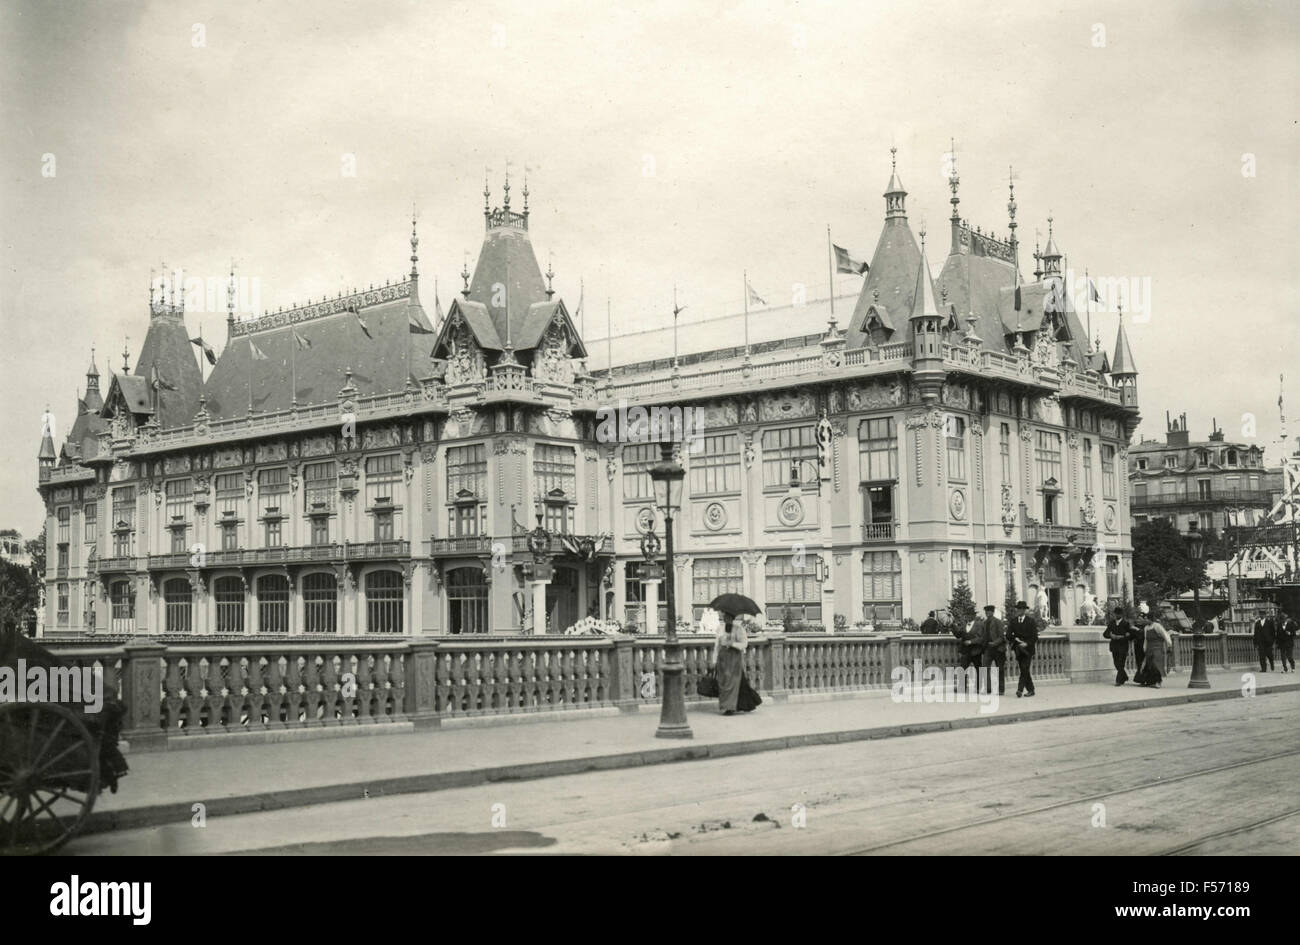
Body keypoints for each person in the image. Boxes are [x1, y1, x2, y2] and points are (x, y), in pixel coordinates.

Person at [712, 613, 748, 715]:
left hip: (734, 658)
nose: (727, 619)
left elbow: (744, 644)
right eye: (725, 617)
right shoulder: (720, 628)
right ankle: (724, 706)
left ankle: (730, 707)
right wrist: (714, 660)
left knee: (732, 682)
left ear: (732, 618)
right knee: (723, 681)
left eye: (729, 617)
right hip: (722, 658)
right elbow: (716, 645)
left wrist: (732, 644)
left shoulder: (738, 629)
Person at [1006, 600, 1040, 697]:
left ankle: (1019, 690)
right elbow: (1008, 635)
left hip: (1028, 649)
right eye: (1018, 609)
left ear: (1025, 610)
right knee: (1024, 669)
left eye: (1022, 609)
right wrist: (1015, 639)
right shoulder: (1013, 621)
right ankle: (1031, 690)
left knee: (1024, 668)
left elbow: (1035, 636)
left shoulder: (1031, 621)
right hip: (1018, 649)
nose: (1020, 610)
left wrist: (1026, 643)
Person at [976, 604, 1007, 695]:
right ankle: (988, 688)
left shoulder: (998, 622)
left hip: (998, 649)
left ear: (993, 612)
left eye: (989, 611)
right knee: (985, 668)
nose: (987, 613)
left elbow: (1001, 637)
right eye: (986, 611)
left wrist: (994, 643)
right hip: (988, 649)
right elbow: (982, 636)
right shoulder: (984, 623)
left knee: (1000, 669)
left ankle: (1001, 690)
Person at [1103, 606, 1136, 685]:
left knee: (1121, 663)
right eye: (1115, 614)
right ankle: (1124, 676)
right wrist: (1111, 636)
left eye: (1118, 614)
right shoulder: (1111, 623)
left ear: (1121, 614)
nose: (1116, 616)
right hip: (1114, 646)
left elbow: (1131, 635)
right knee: (1116, 663)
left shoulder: (1126, 623)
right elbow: (1105, 634)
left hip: (1123, 646)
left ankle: (1119, 681)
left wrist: (1123, 637)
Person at [950, 611, 982, 694]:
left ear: (974, 616)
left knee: (979, 669)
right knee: (962, 669)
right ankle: (962, 688)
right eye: (967, 614)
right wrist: (952, 624)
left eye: (969, 614)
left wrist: (971, 641)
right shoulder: (964, 625)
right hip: (965, 651)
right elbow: (958, 635)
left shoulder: (979, 625)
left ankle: (979, 688)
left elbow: (981, 638)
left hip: (976, 651)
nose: (967, 616)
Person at [1138, 618, 1172, 688]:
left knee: (1156, 665)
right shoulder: (1146, 628)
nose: (1145, 620)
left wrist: (1169, 644)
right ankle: (1150, 681)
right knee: (1149, 665)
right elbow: (1145, 639)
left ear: (1151, 619)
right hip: (1149, 648)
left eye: (1146, 619)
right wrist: (1145, 648)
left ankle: (1158, 681)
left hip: (1157, 648)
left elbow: (1165, 635)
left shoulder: (1157, 626)